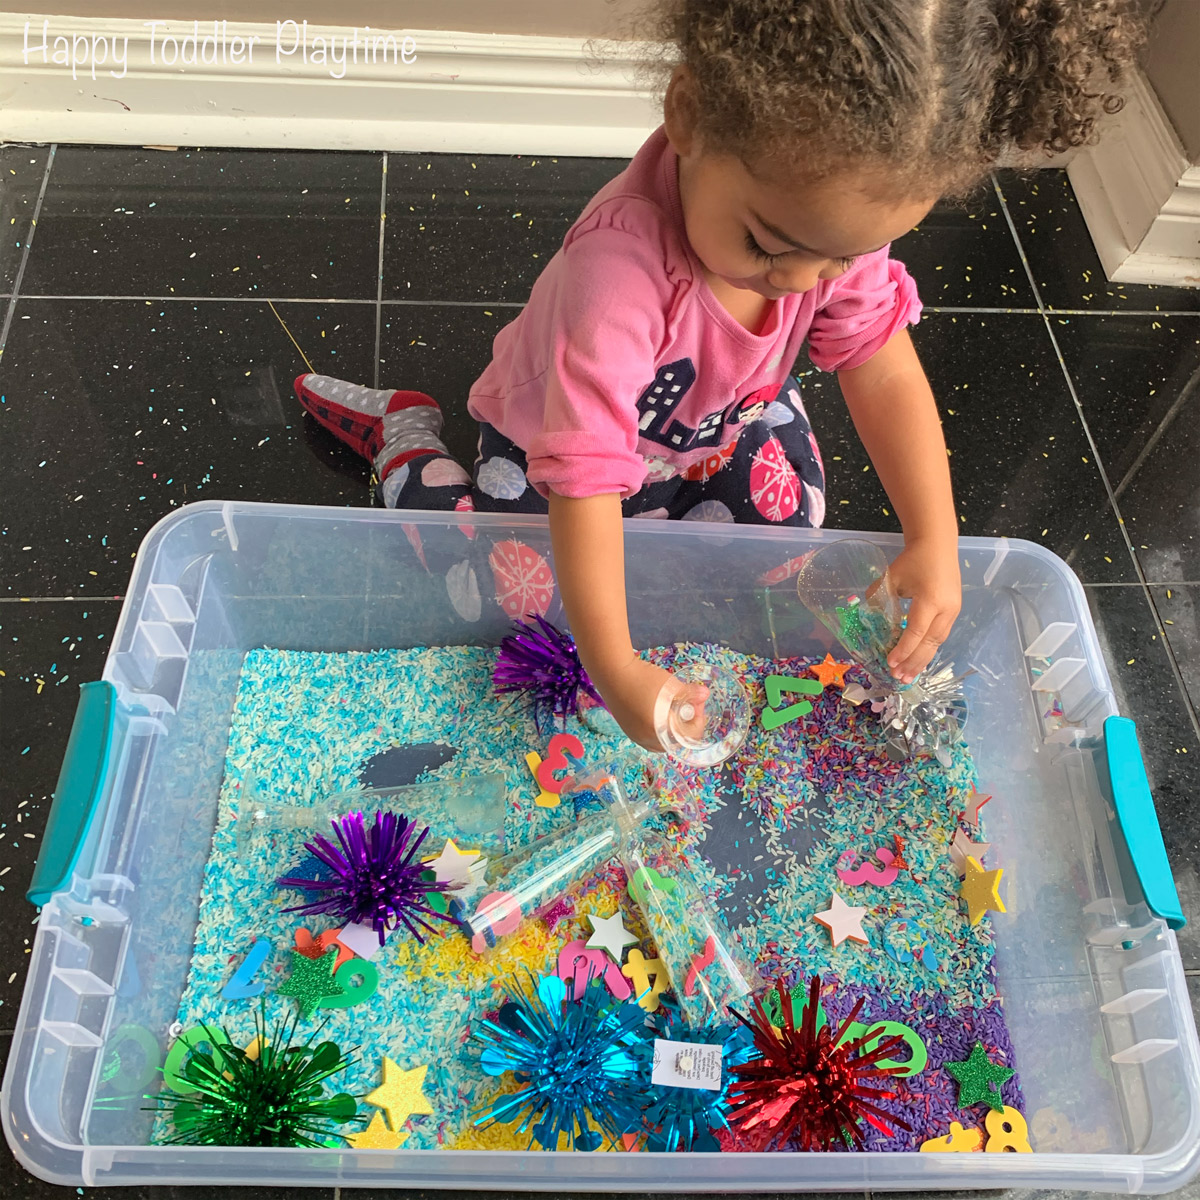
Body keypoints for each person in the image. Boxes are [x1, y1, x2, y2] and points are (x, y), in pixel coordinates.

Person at [295, 0, 1142, 749]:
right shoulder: (618, 277)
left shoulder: (828, 218)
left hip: (707, 430)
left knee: (794, 518)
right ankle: (407, 442)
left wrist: (934, 538)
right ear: (690, 113)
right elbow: (584, 476)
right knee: (506, 599)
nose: (803, 282)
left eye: (839, 257)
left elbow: (879, 362)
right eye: (770, 245)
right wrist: (616, 666)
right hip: (556, 448)